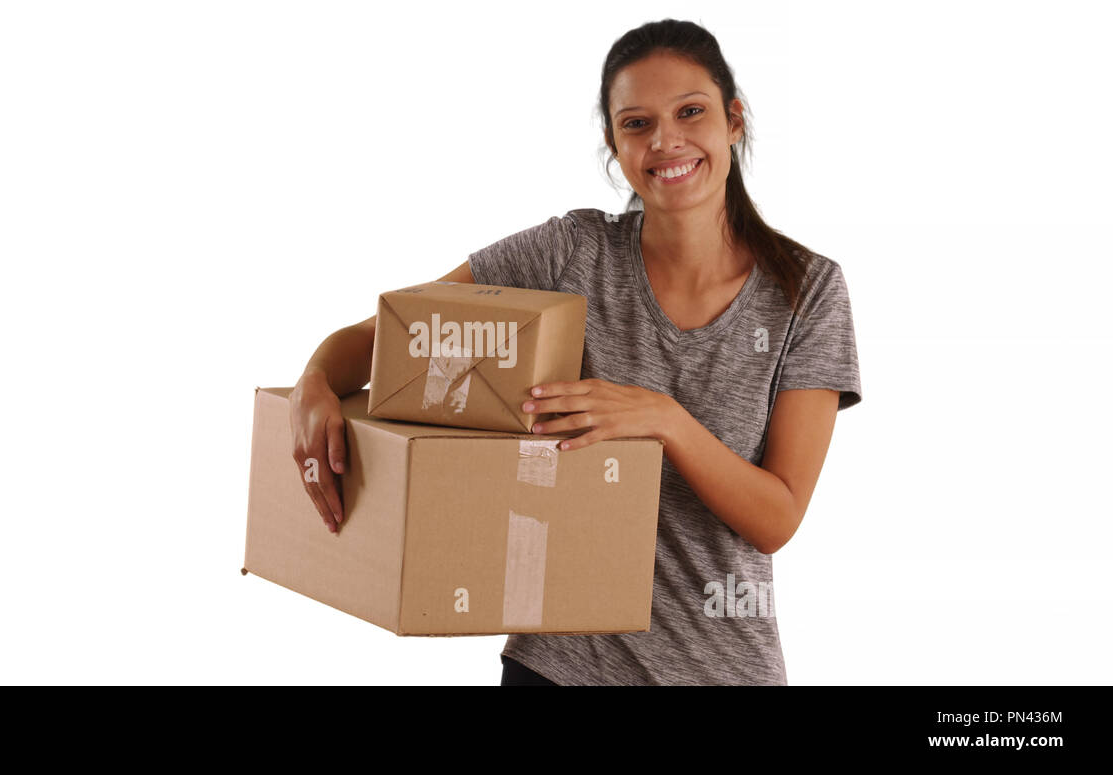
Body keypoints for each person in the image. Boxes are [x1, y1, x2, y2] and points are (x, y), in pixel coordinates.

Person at [287, 19, 862, 685]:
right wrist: (315, 380)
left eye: (691, 112)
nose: (666, 141)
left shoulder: (806, 290)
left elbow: (778, 515)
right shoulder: (572, 254)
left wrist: (663, 418)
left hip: (719, 670)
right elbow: (394, 332)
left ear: (734, 120)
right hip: (558, 666)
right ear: (615, 146)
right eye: (637, 123)